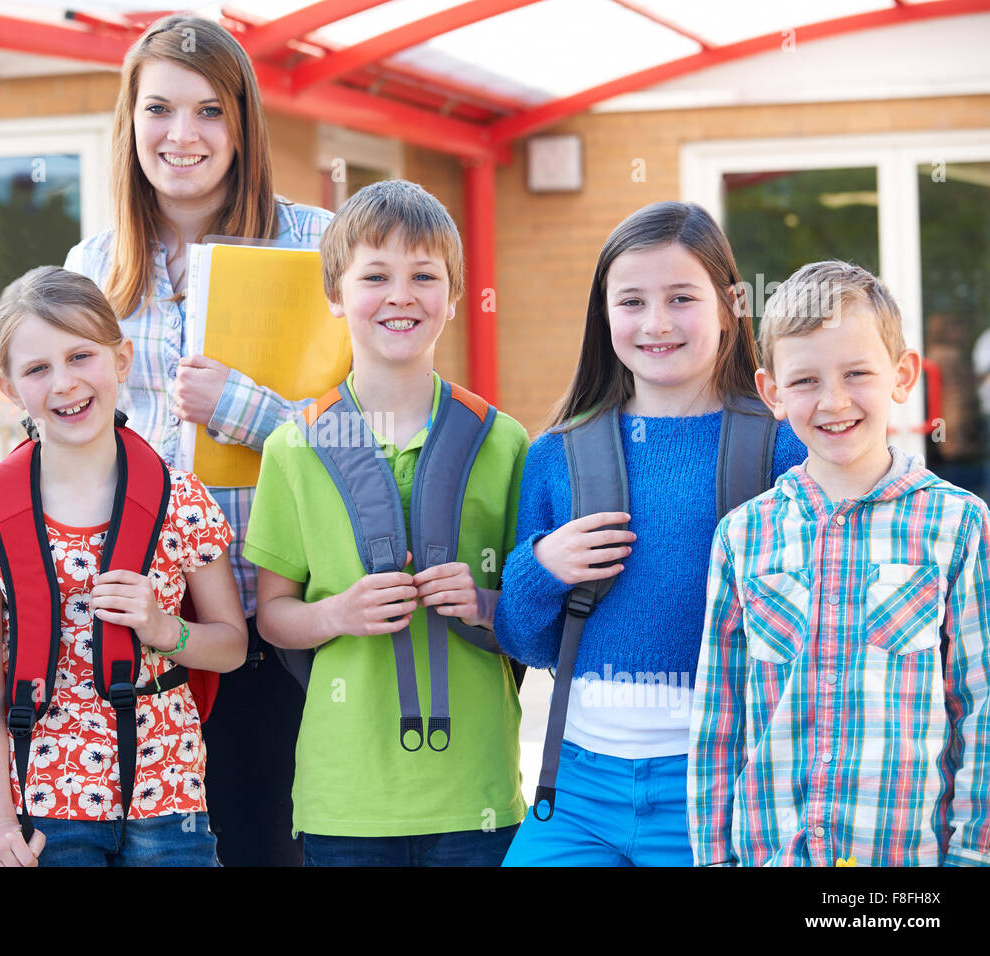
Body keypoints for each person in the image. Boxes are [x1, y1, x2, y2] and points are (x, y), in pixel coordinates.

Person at [64, 13, 333, 867]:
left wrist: (248, 410)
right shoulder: (94, 265)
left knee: (270, 846)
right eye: (160, 109)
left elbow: (377, 437)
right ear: (130, 122)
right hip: (147, 623)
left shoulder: (320, 243)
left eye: (211, 111)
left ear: (244, 123)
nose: (183, 135)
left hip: (283, 615)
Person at [494, 202, 805, 867]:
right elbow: (527, 643)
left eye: (681, 298)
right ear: (604, 316)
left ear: (728, 306)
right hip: (573, 789)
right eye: (631, 301)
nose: (656, 323)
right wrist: (540, 566)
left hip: (718, 791)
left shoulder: (782, 451)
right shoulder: (558, 454)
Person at [245, 179, 529, 866]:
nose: (401, 295)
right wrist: (337, 613)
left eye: (424, 276)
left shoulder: (506, 442)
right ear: (336, 296)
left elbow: (537, 612)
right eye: (376, 275)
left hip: (476, 795)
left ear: (453, 298)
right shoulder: (293, 447)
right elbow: (273, 614)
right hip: (346, 799)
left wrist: (488, 603)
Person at [0, 266, 247, 867]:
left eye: (82, 356)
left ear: (122, 359)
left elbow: (231, 646)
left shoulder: (182, 502)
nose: (65, 383)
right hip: (46, 807)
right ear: (6, 386)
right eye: (37, 369)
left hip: (170, 800)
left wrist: (164, 629)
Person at [690, 260, 990, 866]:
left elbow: (979, 708)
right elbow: (718, 724)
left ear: (902, 375)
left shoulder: (960, 526)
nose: (834, 401)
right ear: (772, 392)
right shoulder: (741, 538)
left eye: (857, 373)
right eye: (804, 381)